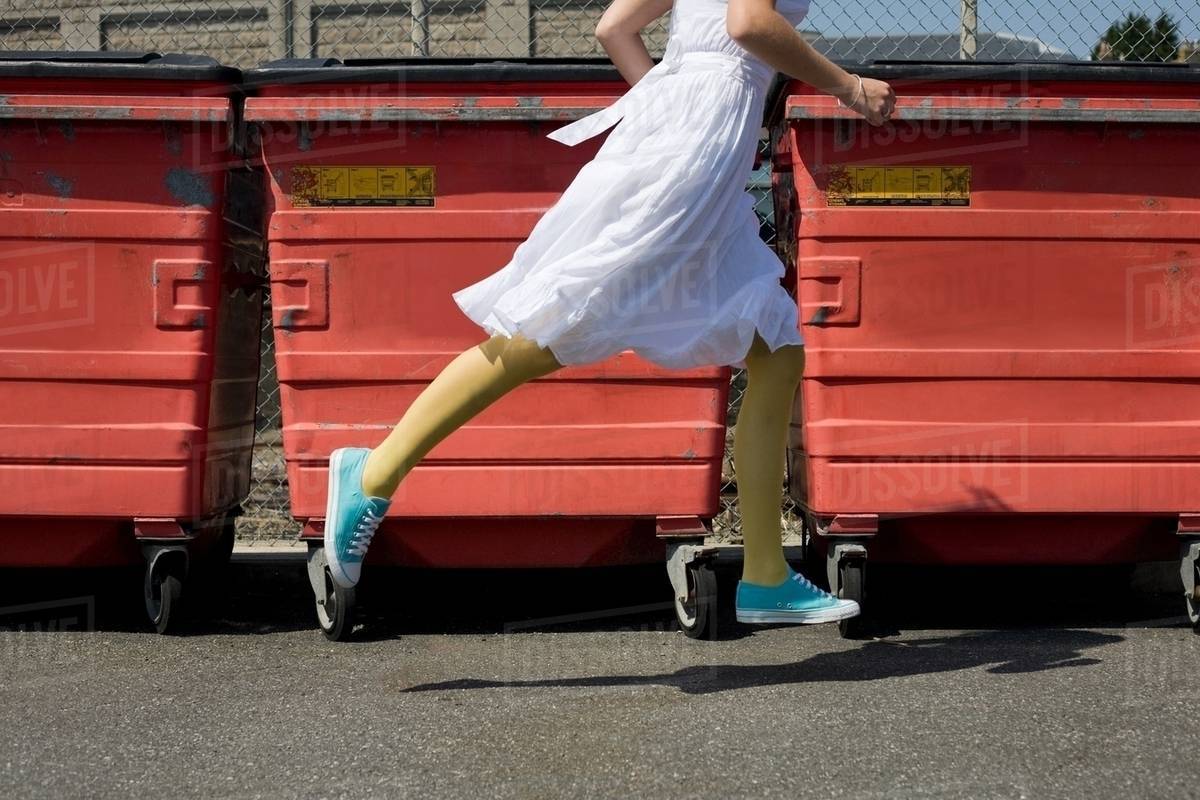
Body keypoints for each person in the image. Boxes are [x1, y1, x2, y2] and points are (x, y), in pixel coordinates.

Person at [321, 0, 895, 626]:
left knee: (774, 343)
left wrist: (676, 111)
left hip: (695, 140)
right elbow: (749, 24)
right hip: (695, 148)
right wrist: (849, 86)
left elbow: (614, 28)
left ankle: (764, 575)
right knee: (556, 329)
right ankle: (372, 473)